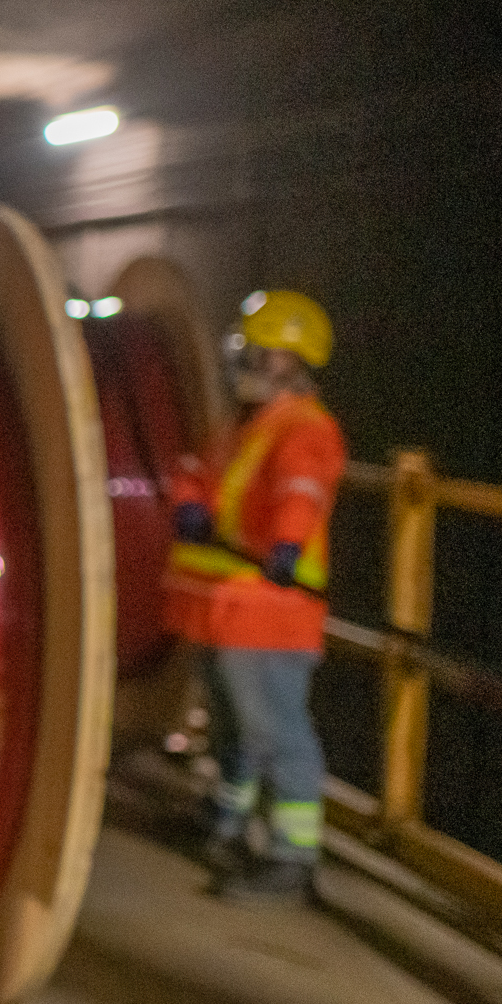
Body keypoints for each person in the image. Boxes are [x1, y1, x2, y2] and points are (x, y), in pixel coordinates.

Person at [165, 289, 347, 904]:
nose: (248, 363)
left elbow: (301, 492)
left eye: (261, 353)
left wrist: (288, 545)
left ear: (292, 361)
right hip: (231, 610)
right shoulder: (249, 427)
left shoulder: (303, 431)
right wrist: (190, 502)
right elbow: (199, 470)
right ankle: (225, 820)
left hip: (270, 617)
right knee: (234, 730)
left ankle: (293, 860)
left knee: (277, 734)